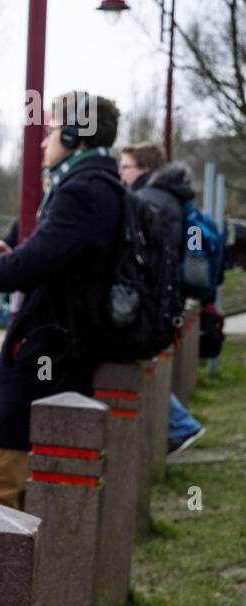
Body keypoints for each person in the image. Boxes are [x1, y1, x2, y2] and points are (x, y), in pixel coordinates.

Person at [0, 91, 124, 510]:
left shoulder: (81, 189)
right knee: (28, 487)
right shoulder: (101, 184)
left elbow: (30, 267)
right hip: (66, 350)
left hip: (50, 353)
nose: (43, 141)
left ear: (74, 132)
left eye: (51, 130)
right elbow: (49, 261)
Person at [119, 142, 205, 453]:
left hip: (153, 303)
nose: (120, 173)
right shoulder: (172, 197)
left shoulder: (149, 199)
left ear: (145, 169)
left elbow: (148, 257)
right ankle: (177, 426)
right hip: (170, 299)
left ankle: (179, 425)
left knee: (137, 361)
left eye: (125, 166)